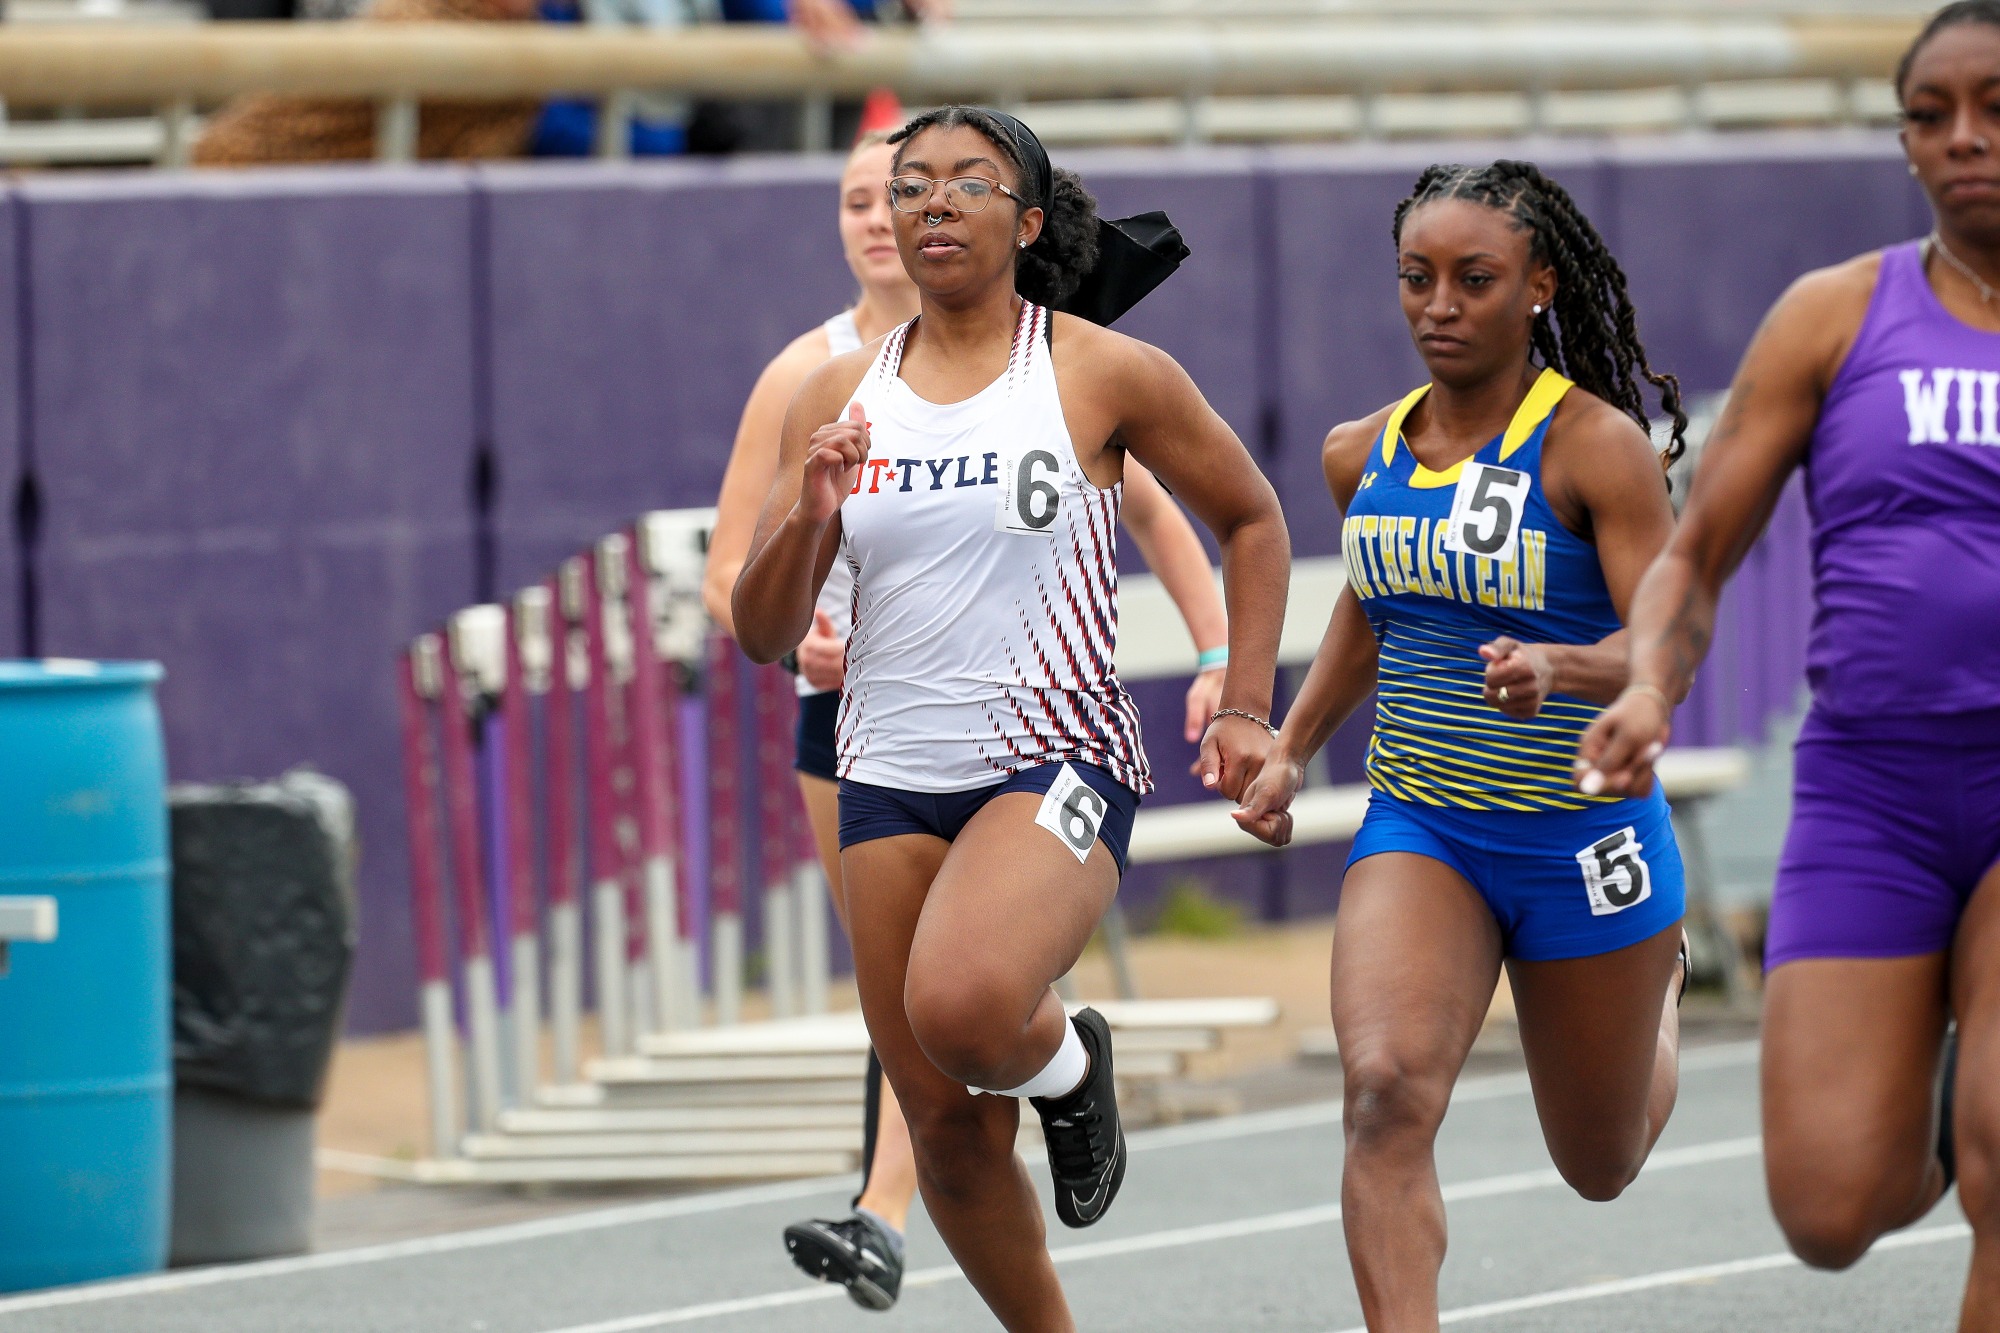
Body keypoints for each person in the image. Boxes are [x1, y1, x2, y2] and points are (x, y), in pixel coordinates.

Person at [730, 106, 1288, 1332]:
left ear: (1026, 221)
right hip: (883, 769)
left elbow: (1250, 519)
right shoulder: (835, 390)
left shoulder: (1096, 369)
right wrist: (812, 515)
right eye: (907, 183)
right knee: (941, 1117)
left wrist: (1243, 698)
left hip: (1057, 758)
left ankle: (1073, 1064)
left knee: (970, 1004)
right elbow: (757, 628)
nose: (927, 203)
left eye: (964, 183)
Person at [1578, 5, 2000, 1325]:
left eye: (1994, 105)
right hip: (1874, 786)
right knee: (1826, 1208)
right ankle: (1944, 1096)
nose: (1964, 138)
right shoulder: (1835, 317)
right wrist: (1650, 680)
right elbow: (1695, 554)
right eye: (1929, 115)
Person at [1232, 160, 1691, 1331]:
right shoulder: (1359, 453)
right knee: (1383, 1091)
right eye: (1415, 279)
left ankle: (1659, 983)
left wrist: (1566, 668)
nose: (1438, 304)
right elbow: (1372, 611)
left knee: (1603, 1160)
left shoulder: (1594, 450)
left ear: (1537, 285)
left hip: (1578, 834)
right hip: (1422, 823)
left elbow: (1665, 640)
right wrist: (1289, 746)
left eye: (1472, 280)